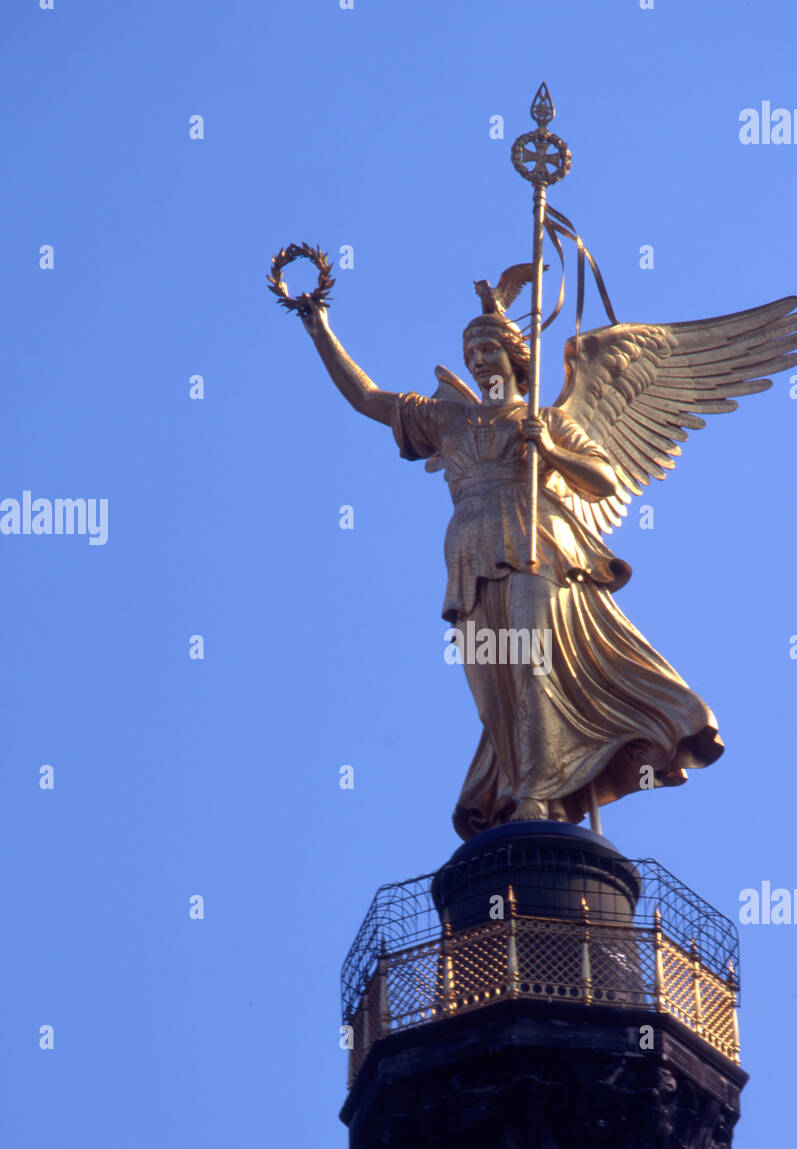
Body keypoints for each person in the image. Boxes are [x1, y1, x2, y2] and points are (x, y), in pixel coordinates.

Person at [300, 303, 723, 840]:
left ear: (515, 357)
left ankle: (537, 794)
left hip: (537, 540)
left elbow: (603, 480)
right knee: (492, 684)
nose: (478, 361)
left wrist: (548, 451)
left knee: (532, 663)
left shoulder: (547, 421)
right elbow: (367, 398)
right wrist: (320, 329)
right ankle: (519, 781)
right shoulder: (447, 419)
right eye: (470, 352)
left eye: (488, 349)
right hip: (470, 548)